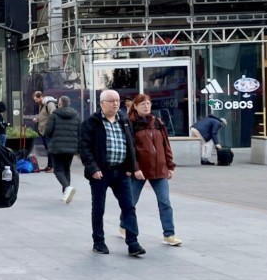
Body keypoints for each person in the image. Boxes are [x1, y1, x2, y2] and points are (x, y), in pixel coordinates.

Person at [79, 89, 144, 257]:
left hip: (122, 172)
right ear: (102, 103)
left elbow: (130, 145)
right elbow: (84, 148)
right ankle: (98, 241)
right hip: (101, 173)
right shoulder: (91, 122)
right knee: (99, 208)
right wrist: (93, 168)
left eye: (117, 101)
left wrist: (132, 167)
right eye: (111, 101)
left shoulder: (124, 121)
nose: (116, 104)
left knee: (129, 207)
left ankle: (133, 243)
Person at [122, 94, 182, 246]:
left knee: (165, 202)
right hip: (140, 170)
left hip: (159, 168)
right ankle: (124, 225)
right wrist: (135, 168)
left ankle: (169, 234)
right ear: (135, 106)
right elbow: (129, 149)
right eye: (142, 104)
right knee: (131, 202)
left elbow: (165, 145)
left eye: (148, 103)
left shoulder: (158, 122)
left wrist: (170, 165)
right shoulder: (130, 123)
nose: (146, 106)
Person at [45, 95, 81, 204]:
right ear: (69, 103)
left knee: (57, 170)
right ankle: (66, 193)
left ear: (59, 104)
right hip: (71, 147)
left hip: (57, 147)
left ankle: (67, 188)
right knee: (66, 169)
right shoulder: (76, 115)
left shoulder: (54, 115)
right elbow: (80, 132)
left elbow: (48, 132)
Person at [34, 91, 58, 172]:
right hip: (43, 131)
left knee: (50, 149)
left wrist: (50, 128)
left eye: (36, 99)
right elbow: (44, 116)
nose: (36, 101)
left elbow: (53, 116)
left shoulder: (49, 104)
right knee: (48, 149)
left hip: (48, 131)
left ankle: (53, 166)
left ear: (40, 96)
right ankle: (50, 165)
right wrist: (38, 118)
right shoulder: (42, 104)